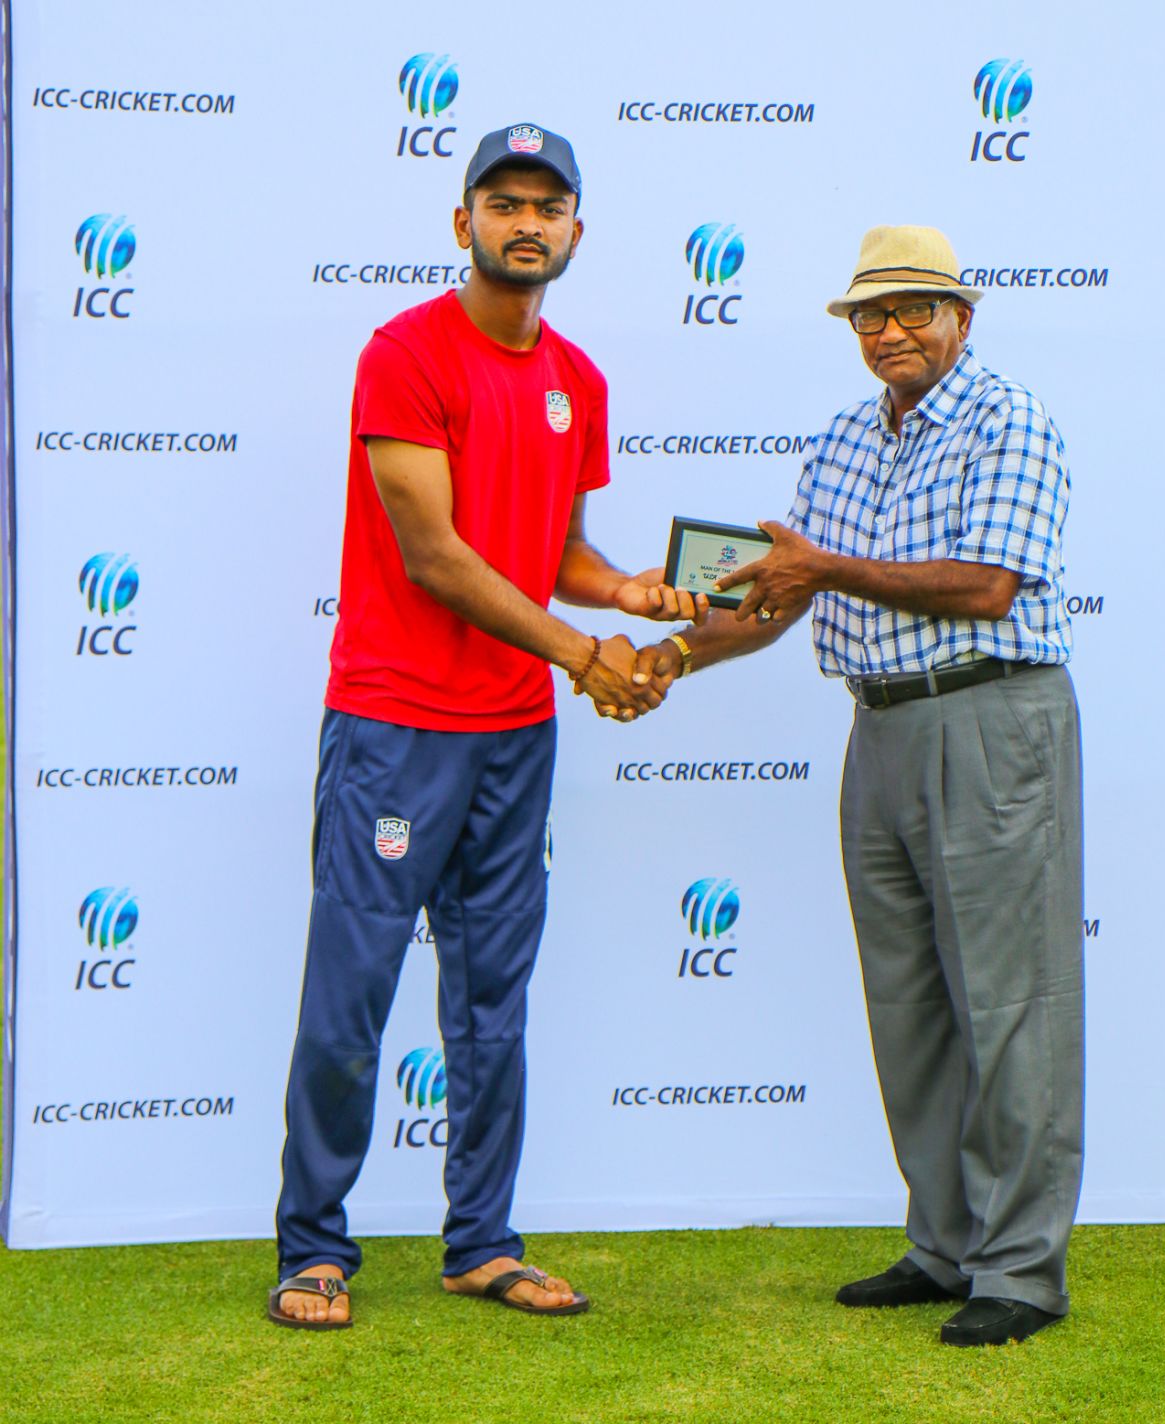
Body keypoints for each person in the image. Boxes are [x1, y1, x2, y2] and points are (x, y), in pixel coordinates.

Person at [268, 122, 706, 1329]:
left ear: (575, 229)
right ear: (461, 221)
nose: (526, 221)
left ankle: (481, 1239)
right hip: (397, 723)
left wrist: (627, 596)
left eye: (547, 205)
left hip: (513, 733)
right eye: (502, 201)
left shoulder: (578, 380)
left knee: (492, 998)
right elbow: (439, 556)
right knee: (352, 995)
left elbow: (550, 548)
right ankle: (314, 1244)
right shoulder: (404, 353)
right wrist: (587, 655)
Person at [636, 226, 1083, 1347]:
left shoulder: (1006, 419)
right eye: (868, 316)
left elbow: (984, 585)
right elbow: (780, 598)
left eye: (912, 310)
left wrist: (818, 564)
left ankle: (1018, 1268)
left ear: (959, 317)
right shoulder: (843, 436)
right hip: (875, 726)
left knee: (1009, 1002)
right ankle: (944, 1243)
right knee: (909, 1002)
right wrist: (667, 656)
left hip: (990, 714)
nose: (889, 331)